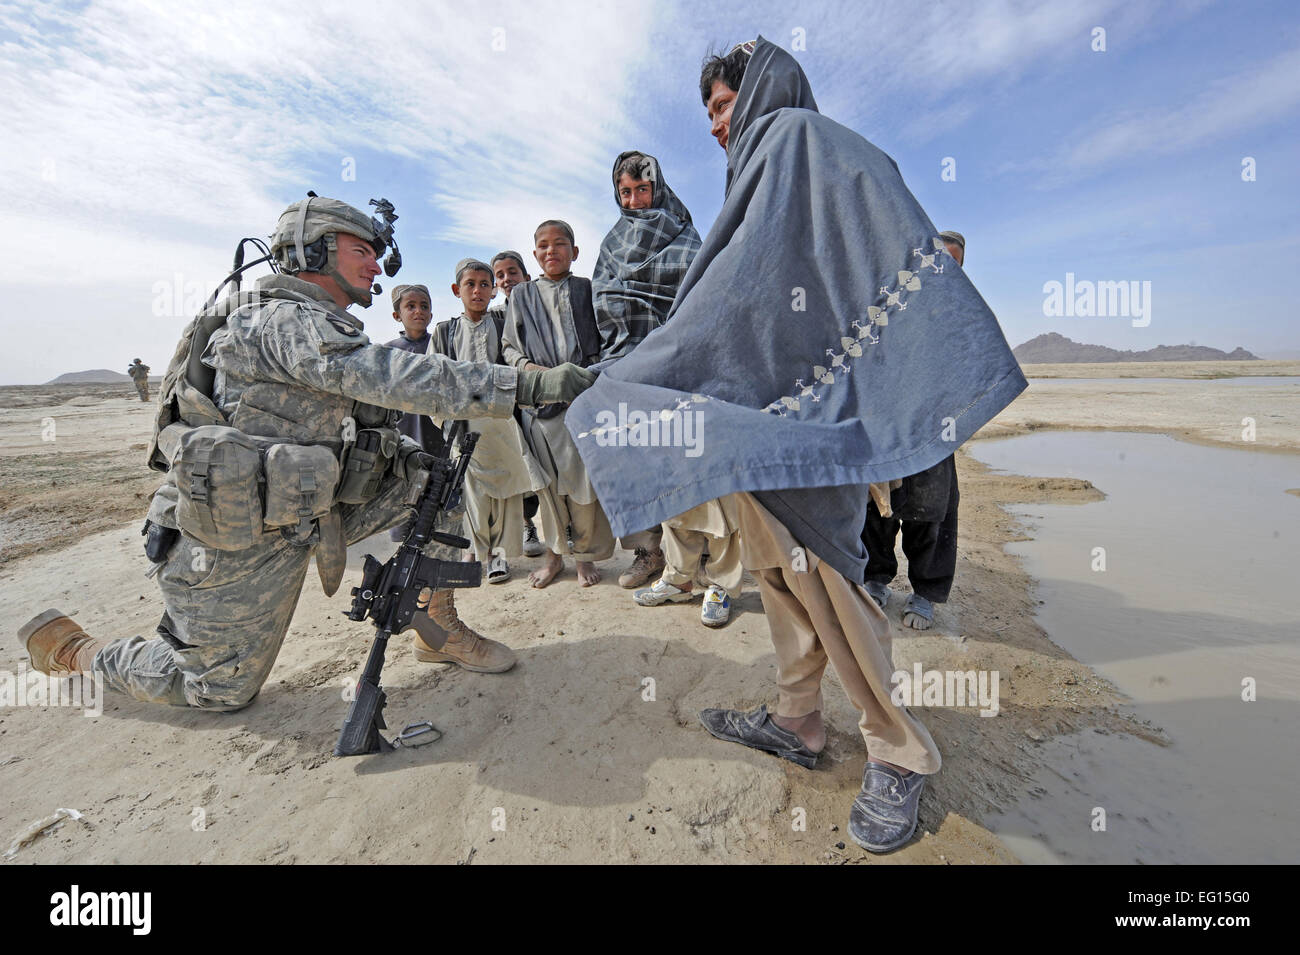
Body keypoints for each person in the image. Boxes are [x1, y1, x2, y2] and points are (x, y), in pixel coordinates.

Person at [567, 40, 1025, 852]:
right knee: (779, 575)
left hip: (805, 416)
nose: (714, 124)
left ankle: (898, 747)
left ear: (757, 92)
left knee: (828, 579)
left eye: (720, 106)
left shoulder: (795, 143)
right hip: (768, 414)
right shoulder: (779, 161)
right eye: (706, 111)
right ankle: (798, 718)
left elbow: (753, 289)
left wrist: (654, 369)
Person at [17, 196, 595, 709]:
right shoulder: (281, 319)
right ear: (314, 253)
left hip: (310, 511)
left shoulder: (321, 322)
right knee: (216, 691)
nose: (375, 264)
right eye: (361, 251)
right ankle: (79, 653)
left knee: (428, 480)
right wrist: (527, 384)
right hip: (236, 541)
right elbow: (392, 374)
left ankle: (436, 630)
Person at [594, 150, 704, 591]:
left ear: (657, 188)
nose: (636, 200)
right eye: (627, 191)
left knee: (683, 462)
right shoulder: (612, 244)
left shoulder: (685, 234)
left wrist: (667, 337)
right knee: (636, 464)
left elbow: (700, 294)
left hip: (678, 367)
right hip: (628, 366)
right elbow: (604, 296)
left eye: (643, 189)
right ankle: (649, 552)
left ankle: (696, 558)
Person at [861, 231, 966, 630]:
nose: (944, 269)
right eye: (939, 259)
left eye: (953, 263)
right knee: (878, 504)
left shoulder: (963, 318)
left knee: (932, 510)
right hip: (888, 425)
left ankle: (926, 592)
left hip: (934, 429)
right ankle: (875, 577)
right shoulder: (894, 302)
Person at [501, 220, 615, 588]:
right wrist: (533, 370)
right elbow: (508, 349)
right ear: (535, 254)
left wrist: (584, 377)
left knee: (583, 485)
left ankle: (583, 557)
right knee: (547, 488)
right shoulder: (521, 296)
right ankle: (553, 557)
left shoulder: (588, 290)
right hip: (539, 405)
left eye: (560, 244)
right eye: (544, 246)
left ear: (575, 252)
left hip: (582, 401)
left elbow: (604, 340)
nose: (552, 251)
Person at [430, 259, 547, 584]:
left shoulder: (500, 321)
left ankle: (498, 557)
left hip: (500, 423)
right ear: (457, 290)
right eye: (471, 284)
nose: (478, 291)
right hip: (463, 425)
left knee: (505, 494)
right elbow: (432, 380)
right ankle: (472, 552)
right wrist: (444, 423)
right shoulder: (444, 331)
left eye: (485, 284)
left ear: (493, 289)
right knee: (471, 494)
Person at [490, 250, 545, 559]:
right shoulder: (495, 316)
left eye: (512, 272)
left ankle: (564, 529)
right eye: (500, 275)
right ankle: (527, 526)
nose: (507, 279)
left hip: (538, 398)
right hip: (507, 403)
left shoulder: (538, 307)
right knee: (518, 468)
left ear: (526, 276)